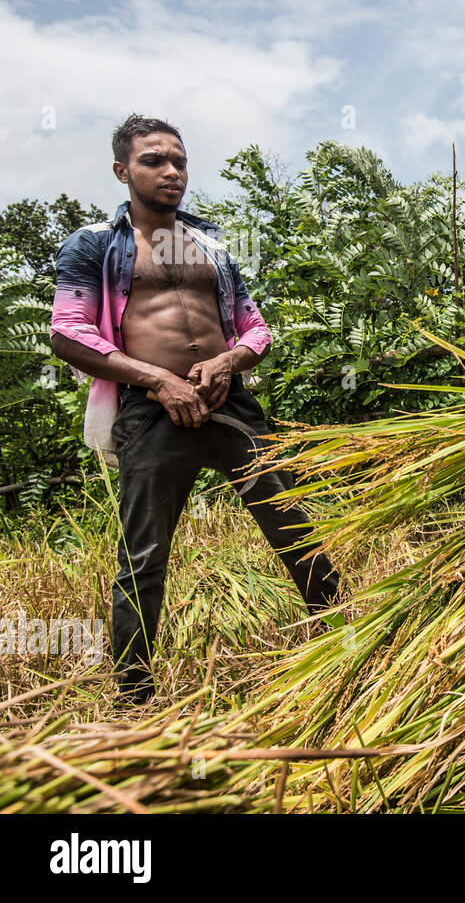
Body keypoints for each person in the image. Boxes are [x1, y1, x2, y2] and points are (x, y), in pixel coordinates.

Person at [49, 114, 342, 705]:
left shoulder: (211, 245)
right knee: (145, 555)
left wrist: (228, 363)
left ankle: (351, 640)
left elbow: (256, 329)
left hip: (228, 401)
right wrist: (158, 378)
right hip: (151, 409)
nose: (171, 171)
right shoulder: (96, 245)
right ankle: (134, 694)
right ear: (121, 171)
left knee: (294, 527)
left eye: (179, 160)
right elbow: (67, 332)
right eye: (154, 160)